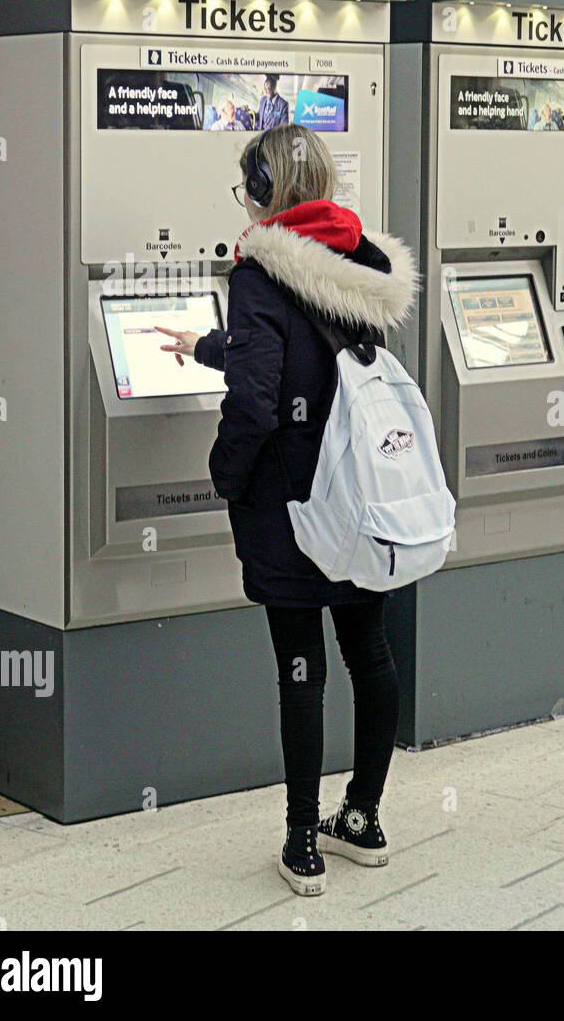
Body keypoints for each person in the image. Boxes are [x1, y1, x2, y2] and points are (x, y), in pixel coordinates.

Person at [155, 125, 417, 897]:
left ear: (268, 192)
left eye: (248, 189)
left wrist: (226, 477)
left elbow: (257, 399)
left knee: (299, 668)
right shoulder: (362, 265)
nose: (245, 204)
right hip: (362, 497)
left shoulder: (262, 272)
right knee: (368, 651)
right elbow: (310, 352)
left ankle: (303, 841)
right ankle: (362, 818)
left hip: (294, 505)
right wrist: (207, 344)